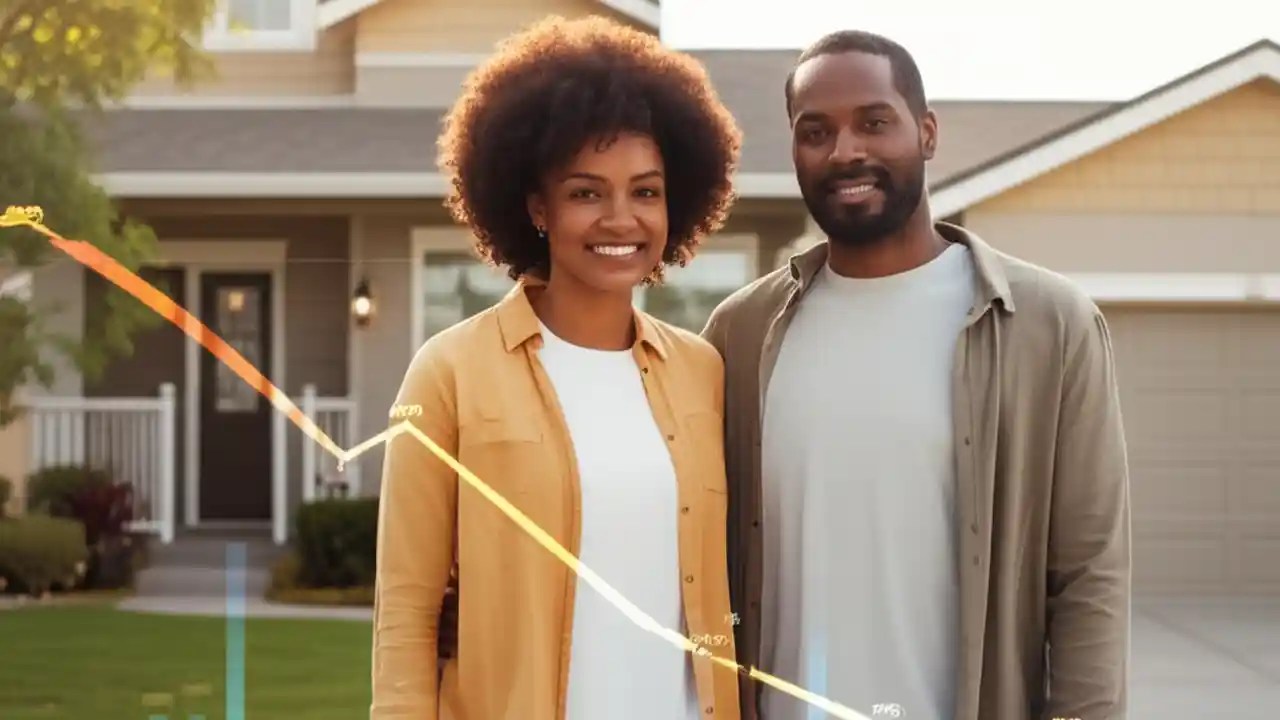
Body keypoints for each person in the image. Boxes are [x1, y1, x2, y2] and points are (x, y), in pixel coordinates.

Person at [701, 30, 1131, 720]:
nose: (846, 151)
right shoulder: (741, 334)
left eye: (874, 122)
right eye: (816, 131)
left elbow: (1087, 576)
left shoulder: (1047, 326)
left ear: (926, 133)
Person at [370, 15, 745, 720]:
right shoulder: (449, 373)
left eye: (645, 191)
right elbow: (407, 613)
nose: (619, 218)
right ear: (537, 206)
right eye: (585, 192)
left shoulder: (702, 372)